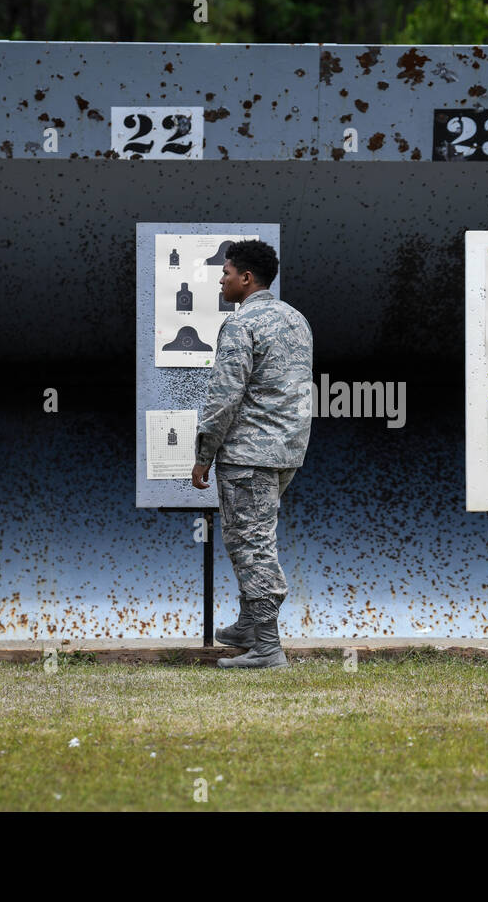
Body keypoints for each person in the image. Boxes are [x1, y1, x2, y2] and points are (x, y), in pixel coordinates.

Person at [191, 240, 312, 669]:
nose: (221, 280)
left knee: (251, 544)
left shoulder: (241, 323)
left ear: (246, 278)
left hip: (247, 454)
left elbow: (224, 397)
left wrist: (204, 452)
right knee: (254, 534)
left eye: (225, 273)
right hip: (286, 452)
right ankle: (247, 625)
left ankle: (267, 647)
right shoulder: (296, 319)